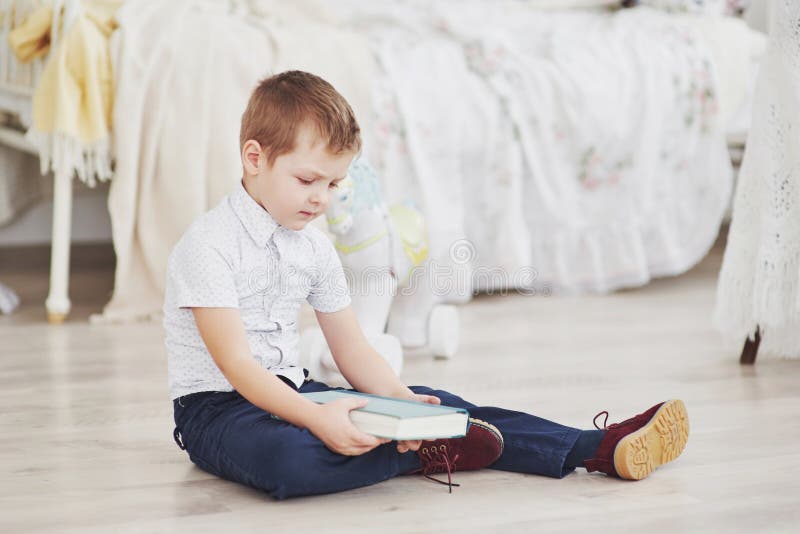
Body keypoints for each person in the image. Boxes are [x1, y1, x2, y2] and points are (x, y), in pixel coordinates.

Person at [165, 70, 689, 500]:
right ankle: (429, 452)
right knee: (288, 458)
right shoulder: (207, 245)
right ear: (254, 158)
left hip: (293, 389)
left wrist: (398, 400)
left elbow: (351, 349)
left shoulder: (314, 246)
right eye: (308, 180)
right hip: (218, 409)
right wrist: (320, 417)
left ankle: (593, 446)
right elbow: (237, 367)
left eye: (333, 183)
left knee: (434, 404)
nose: (322, 198)